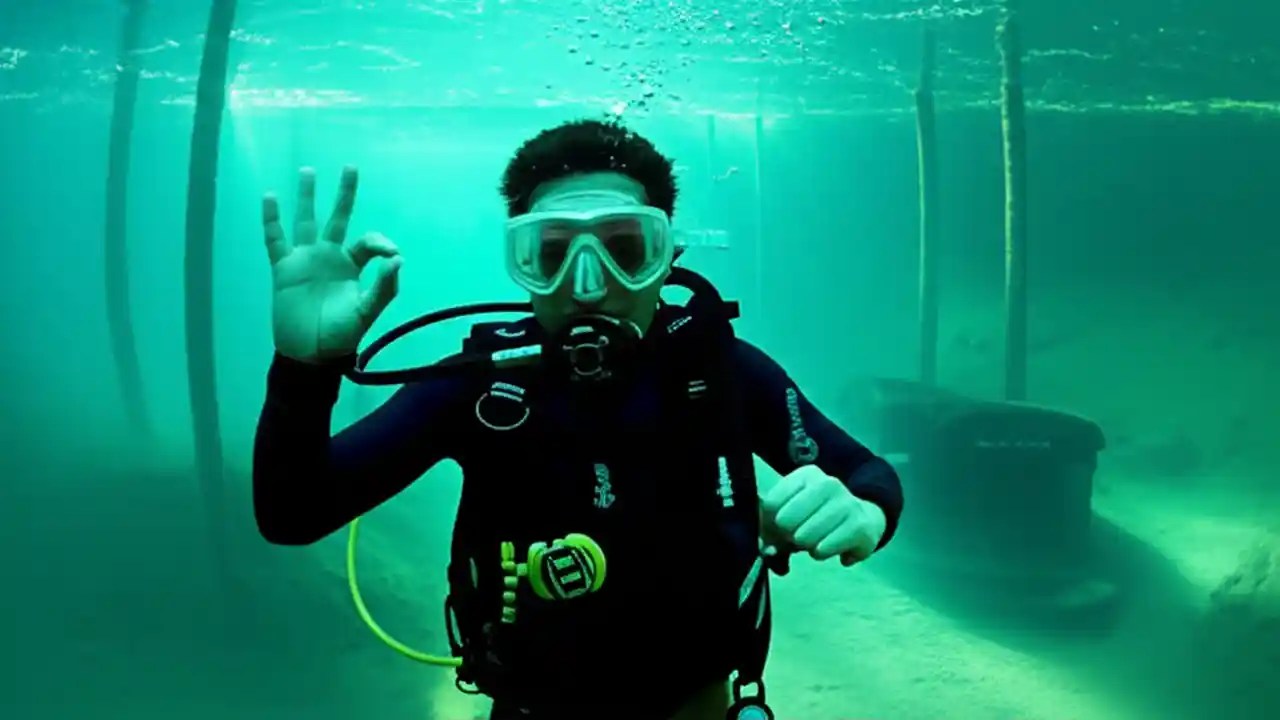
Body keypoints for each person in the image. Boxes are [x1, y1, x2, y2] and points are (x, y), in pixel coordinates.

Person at [252, 118, 904, 720]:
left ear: (669, 253)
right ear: (523, 264)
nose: (588, 284)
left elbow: (865, 472)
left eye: (626, 248)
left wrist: (865, 511)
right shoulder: (481, 387)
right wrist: (303, 370)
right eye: (552, 251)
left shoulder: (724, 373)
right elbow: (292, 512)